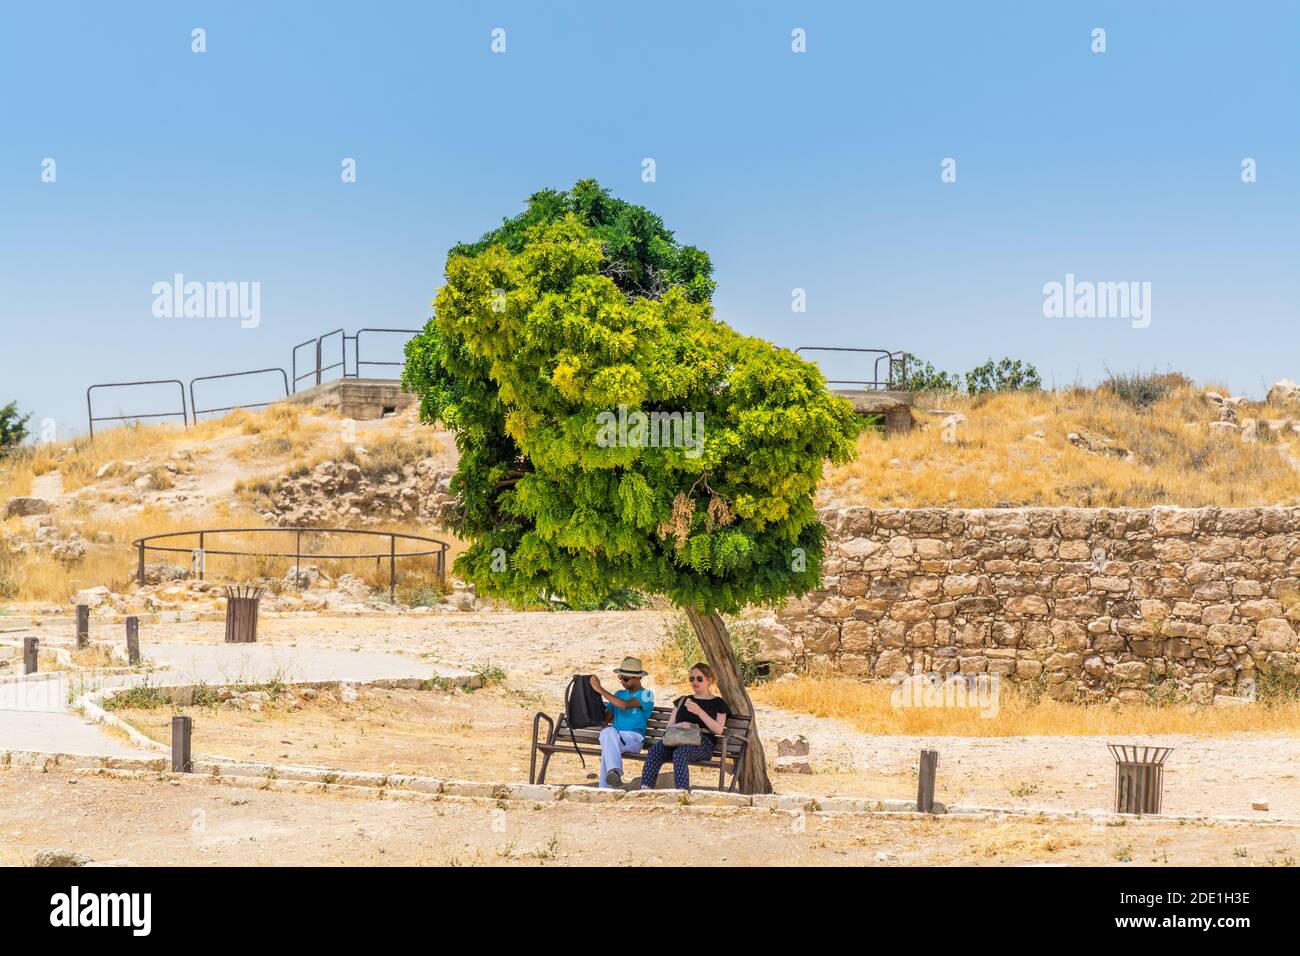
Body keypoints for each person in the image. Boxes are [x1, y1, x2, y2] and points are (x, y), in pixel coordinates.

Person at [639, 662, 729, 792]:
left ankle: (682, 793)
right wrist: (680, 725)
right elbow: (669, 727)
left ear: (709, 680)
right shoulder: (683, 700)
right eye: (691, 678)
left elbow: (719, 730)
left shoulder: (718, 703)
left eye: (699, 678)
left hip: (702, 743)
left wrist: (699, 712)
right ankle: (645, 790)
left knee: (680, 753)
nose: (695, 682)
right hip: (677, 739)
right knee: (654, 750)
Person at [590, 657, 655, 788]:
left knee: (608, 738)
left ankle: (609, 780)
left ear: (638, 678)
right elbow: (605, 720)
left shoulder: (646, 695)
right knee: (607, 735)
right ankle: (612, 776)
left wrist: (600, 690)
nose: (621, 682)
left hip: (634, 739)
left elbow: (624, 705)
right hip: (616, 738)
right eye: (620, 677)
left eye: (625, 678)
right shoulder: (619, 694)